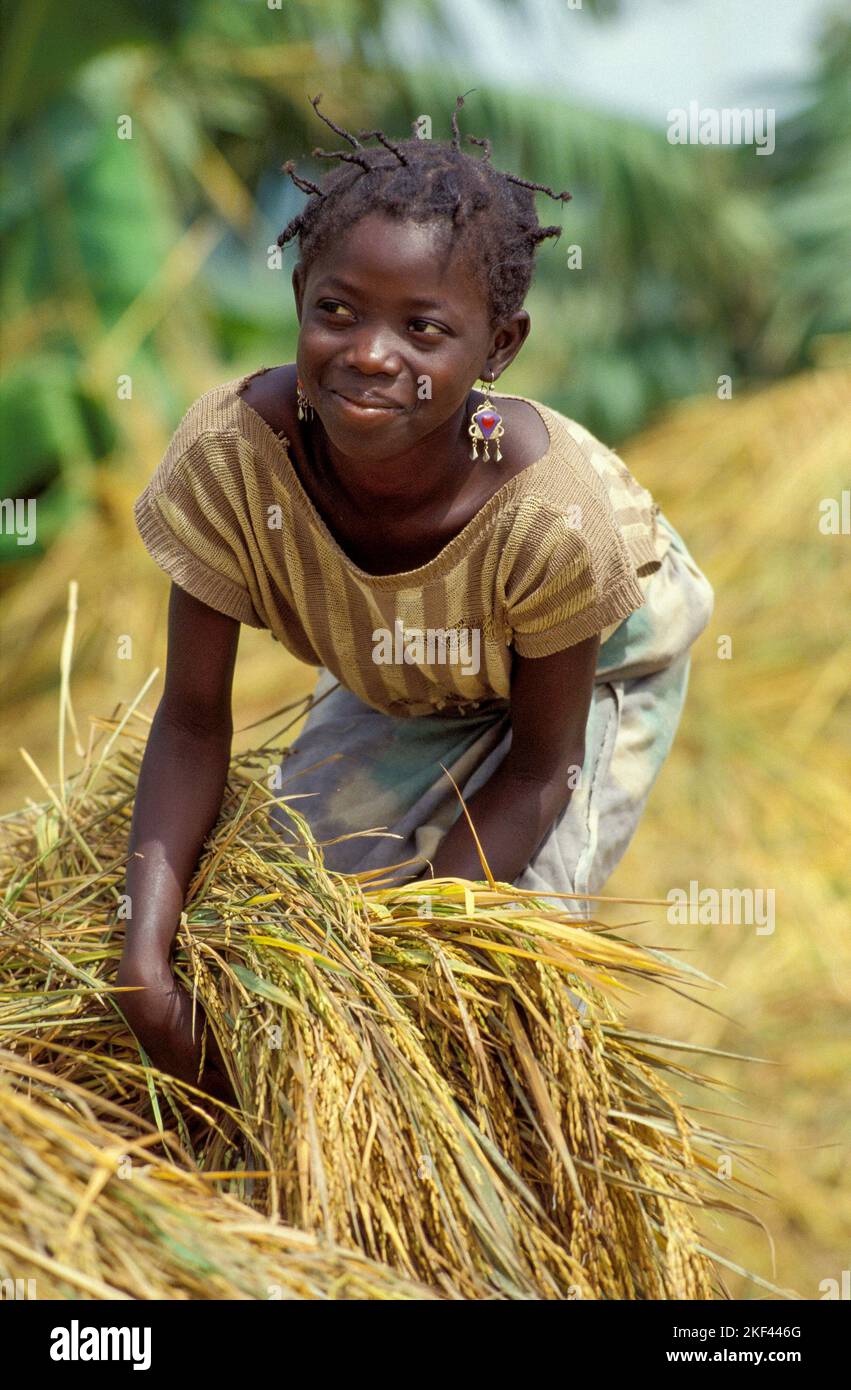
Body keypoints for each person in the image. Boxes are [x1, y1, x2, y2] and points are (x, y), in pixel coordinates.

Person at [119, 94, 713, 1099]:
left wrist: (405, 952)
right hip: (410, 655)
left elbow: (538, 771)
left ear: (499, 348)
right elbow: (188, 718)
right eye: (338, 311)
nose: (369, 355)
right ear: (299, 296)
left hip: (593, 664)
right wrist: (143, 953)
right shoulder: (231, 460)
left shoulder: (545, 515)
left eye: (423, 328)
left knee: (493, 977)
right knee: (285, 906)